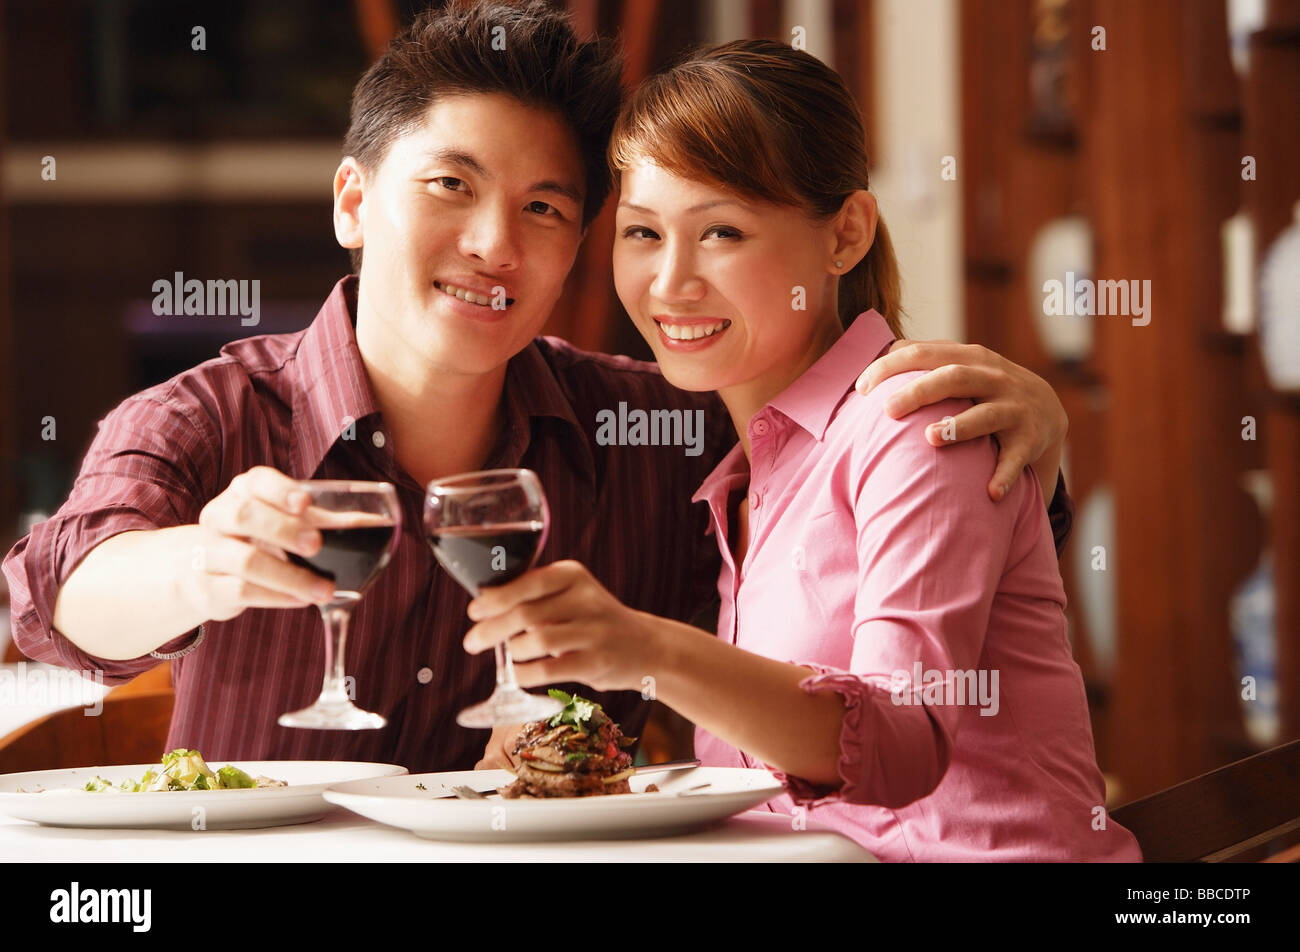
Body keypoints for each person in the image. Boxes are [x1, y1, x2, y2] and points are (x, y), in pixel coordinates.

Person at [4, 2, 1070, 775]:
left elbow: (867, 529)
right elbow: (54, 597)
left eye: (545, 210)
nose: (491, 244)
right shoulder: (213, 414)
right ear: (353, 201)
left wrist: (1034, 432)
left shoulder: (661, 429)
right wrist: (200, 562)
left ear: (573, 251)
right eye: (450, 186)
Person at [461, 38, 1140, 861]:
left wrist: (649, 650)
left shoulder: (915, 428)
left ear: (845, 234)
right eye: (642, 232)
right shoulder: (734, 464)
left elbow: (900, 745)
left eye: (722, 232)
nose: (671, 281)